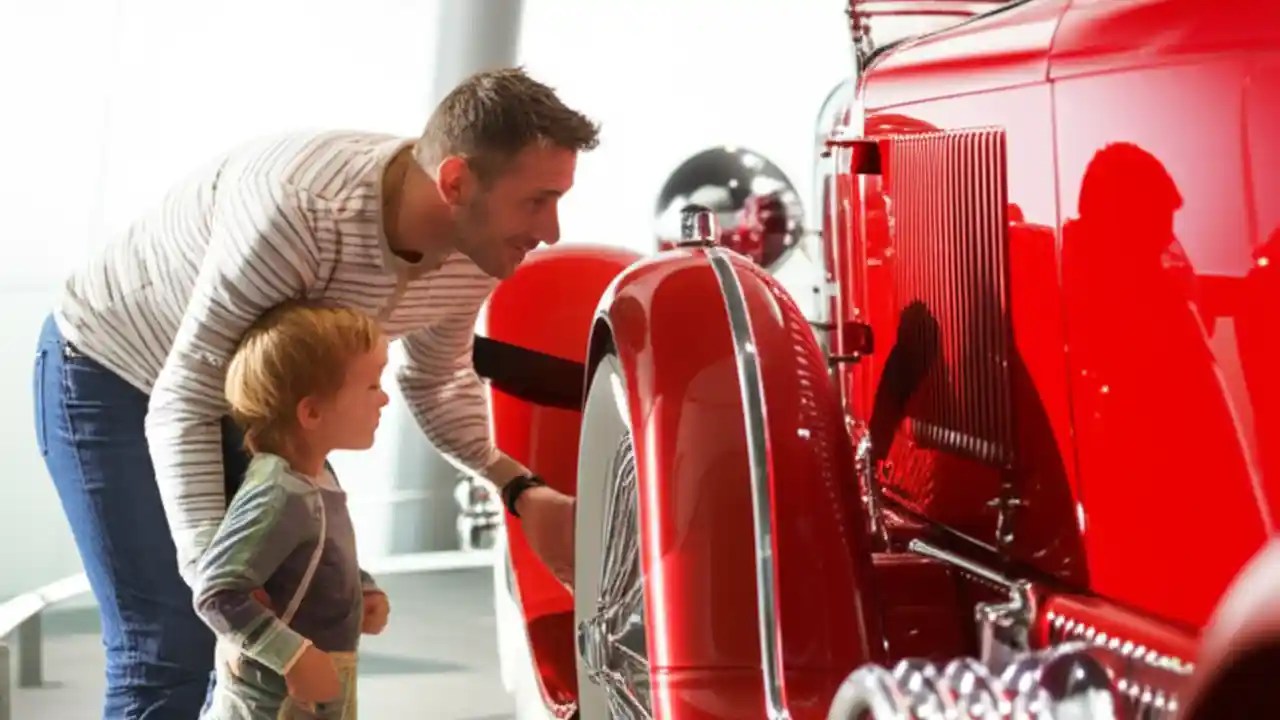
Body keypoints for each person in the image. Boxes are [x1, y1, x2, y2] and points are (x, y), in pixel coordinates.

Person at [32, 66, 593, 718]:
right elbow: (185, 396)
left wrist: (520, 488)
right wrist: (221, 592)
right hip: (118, 367)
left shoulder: (475, 246)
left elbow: (435, 381)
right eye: (537, 201)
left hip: (258, 391)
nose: (551, 230)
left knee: (301, 627)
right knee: (170, 646)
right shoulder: (299, 214)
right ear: (456, 183)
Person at [196, 300, 390, 719]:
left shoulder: (317, 480)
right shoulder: (278, 492)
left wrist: (361, 588)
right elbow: (216, 591)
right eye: (372, 386)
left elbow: (312, 556)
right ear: (312, 411)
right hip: (276, 700)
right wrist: (294, 657)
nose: (385, 399)